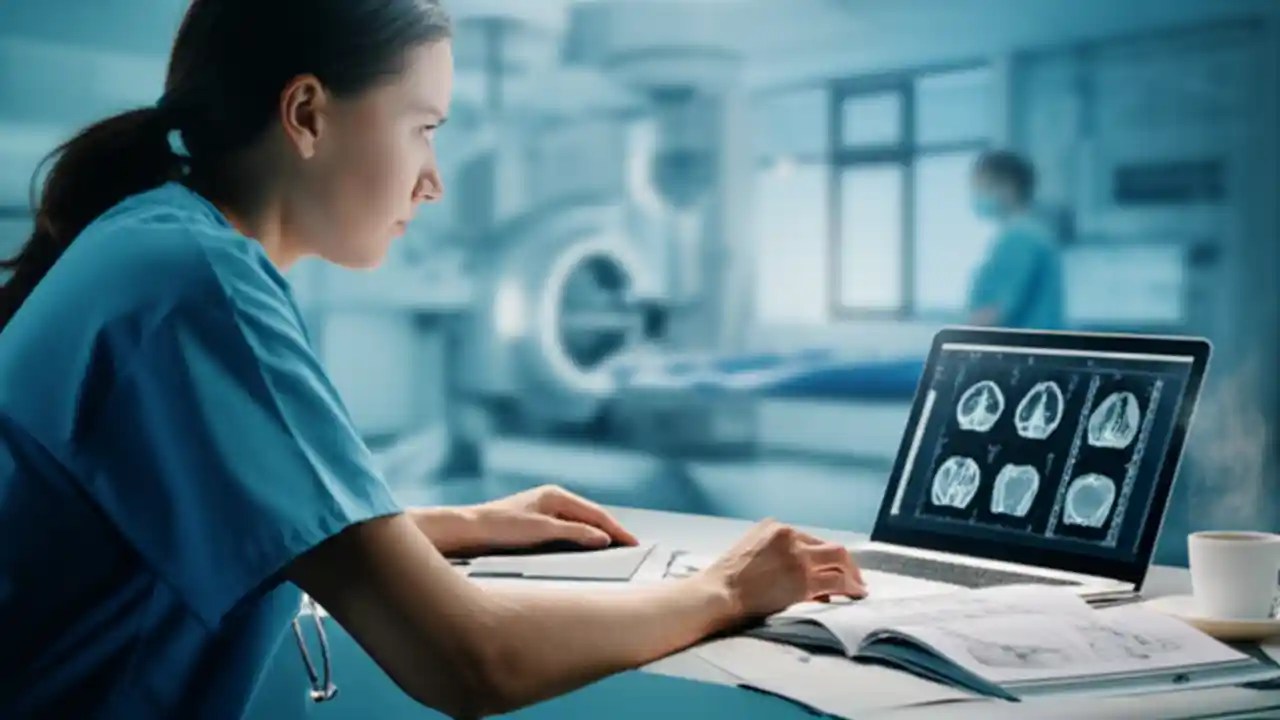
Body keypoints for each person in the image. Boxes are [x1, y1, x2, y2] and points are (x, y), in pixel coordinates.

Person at [0, 1, 865, 718]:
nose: (433, 180)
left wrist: (450, 524)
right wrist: (725, 590)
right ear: (307, 115)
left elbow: (213, 519)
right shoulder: (198, 285)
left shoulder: (151, 242)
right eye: (422, 128)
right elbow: (472, 659)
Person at [966, 150, 1065, 330]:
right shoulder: (1032, 233)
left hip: (1023, 343)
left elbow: (996, 312)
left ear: (1008, 188)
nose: (976, 195)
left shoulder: (1020, 238)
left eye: (982, 187)